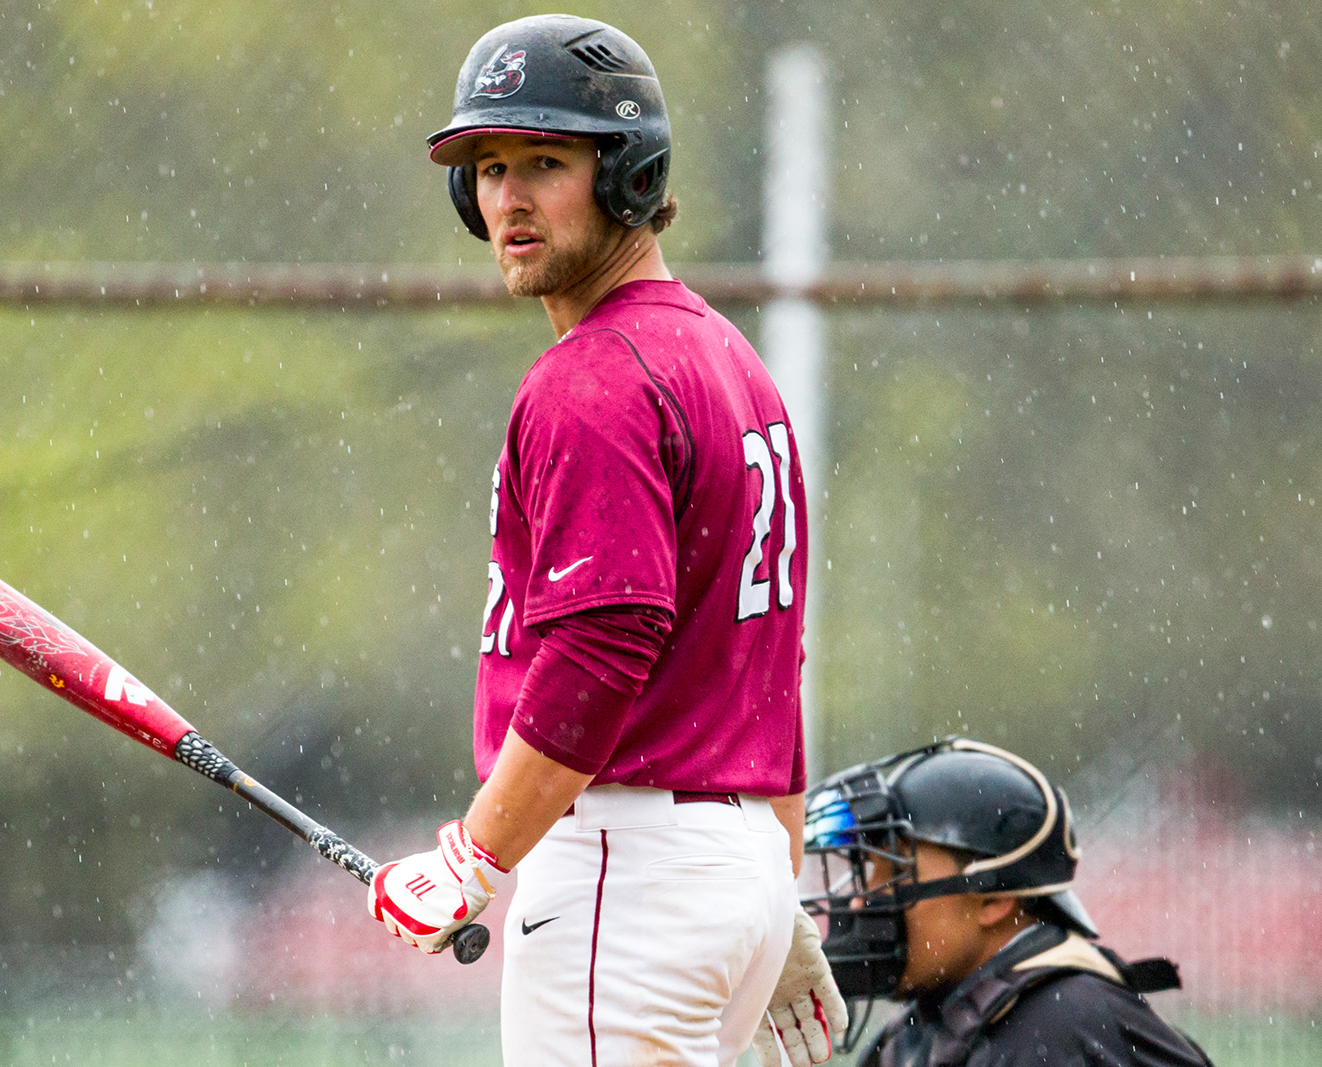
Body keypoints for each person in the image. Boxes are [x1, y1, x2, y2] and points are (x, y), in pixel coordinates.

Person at [363, 14, 846, 1067]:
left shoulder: (593, 377)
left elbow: (603, 645)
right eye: (487, 168)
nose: (507, 199)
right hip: (724, 869)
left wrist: (475, 856)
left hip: (627, 866)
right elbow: (769, 668)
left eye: (546, 160)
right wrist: (774, 873)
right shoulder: (729, 360)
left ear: (630, 176)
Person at [801, 737, 1215, 1067]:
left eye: (895, 873)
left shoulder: (1059, 1026)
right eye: (869, 872)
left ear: (993, 898)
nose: (859, 904)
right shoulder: (919, 1031)